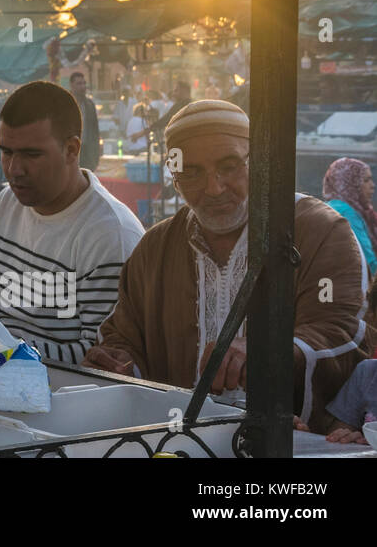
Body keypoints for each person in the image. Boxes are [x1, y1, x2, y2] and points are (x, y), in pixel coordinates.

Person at [84, 101, 372, 430]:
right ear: (173, 176)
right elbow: (124, 335)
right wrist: (118, 362)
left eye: (230, 166)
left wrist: (272, 351)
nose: (214, 188)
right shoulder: (154, 248)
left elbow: (339, 329)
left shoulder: (320, 231)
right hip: (180, 442)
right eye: (190, 172)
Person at [0, 81, 145, 364]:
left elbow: (99, 357)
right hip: (0, 380)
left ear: (72, 149)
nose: (14, 169)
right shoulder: (5, 204)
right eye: (7, 152)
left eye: (31, 154)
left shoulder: (109, 235)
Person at [322, 157, 376, 274]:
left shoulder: (330, 207)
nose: (373, 185)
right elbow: (368, 263)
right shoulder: (346, 213)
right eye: (366, 180)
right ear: (349, 182)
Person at [69, 71, 101, 172]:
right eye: (79, 83)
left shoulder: (90, 105)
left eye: (84, 83)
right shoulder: (65, 103)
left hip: (88, 151)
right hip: (71, 151)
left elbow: (95, 130)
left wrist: (96, 152)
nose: (83, 86)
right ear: (72, 85)